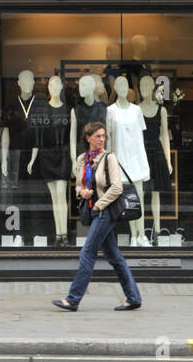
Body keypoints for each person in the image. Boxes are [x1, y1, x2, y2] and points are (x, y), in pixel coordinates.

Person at [52, 121, 143, 311]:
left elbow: (117, 188)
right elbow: (78, 185)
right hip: (94, 211)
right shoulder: (82, 159)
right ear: (88, 138)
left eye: (103, 136)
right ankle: (133, 297)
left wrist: (100, 205)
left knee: (87, 252)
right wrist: (82, 192)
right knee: (114, 256)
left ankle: (73, 299)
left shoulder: (109, 158)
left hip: (106, 211)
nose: (102, 139)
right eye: (98, 136)